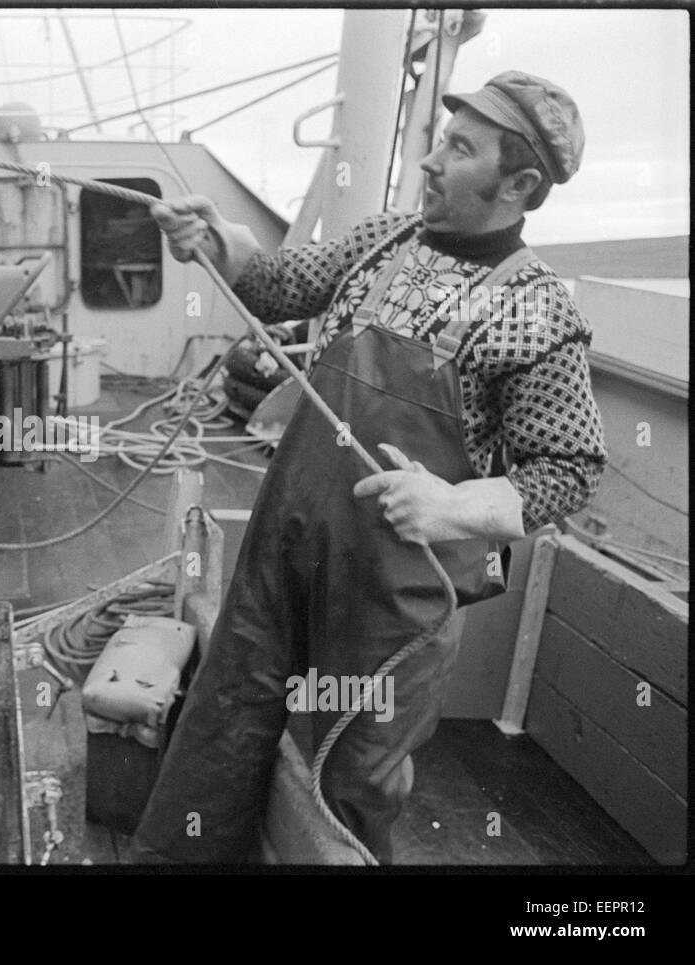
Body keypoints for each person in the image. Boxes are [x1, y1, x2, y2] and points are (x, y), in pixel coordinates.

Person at [133, 71, 607, 864]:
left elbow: (570, 466)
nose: (429, 160)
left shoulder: (538, 308)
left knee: (358, 766)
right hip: (290, 536)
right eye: (440, 140)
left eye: (459, 148)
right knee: (229, 707)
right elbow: (285, 282)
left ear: (519, 183)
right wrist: (217, 238)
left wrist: (452, 506)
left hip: (396, 585)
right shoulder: (389, 239)